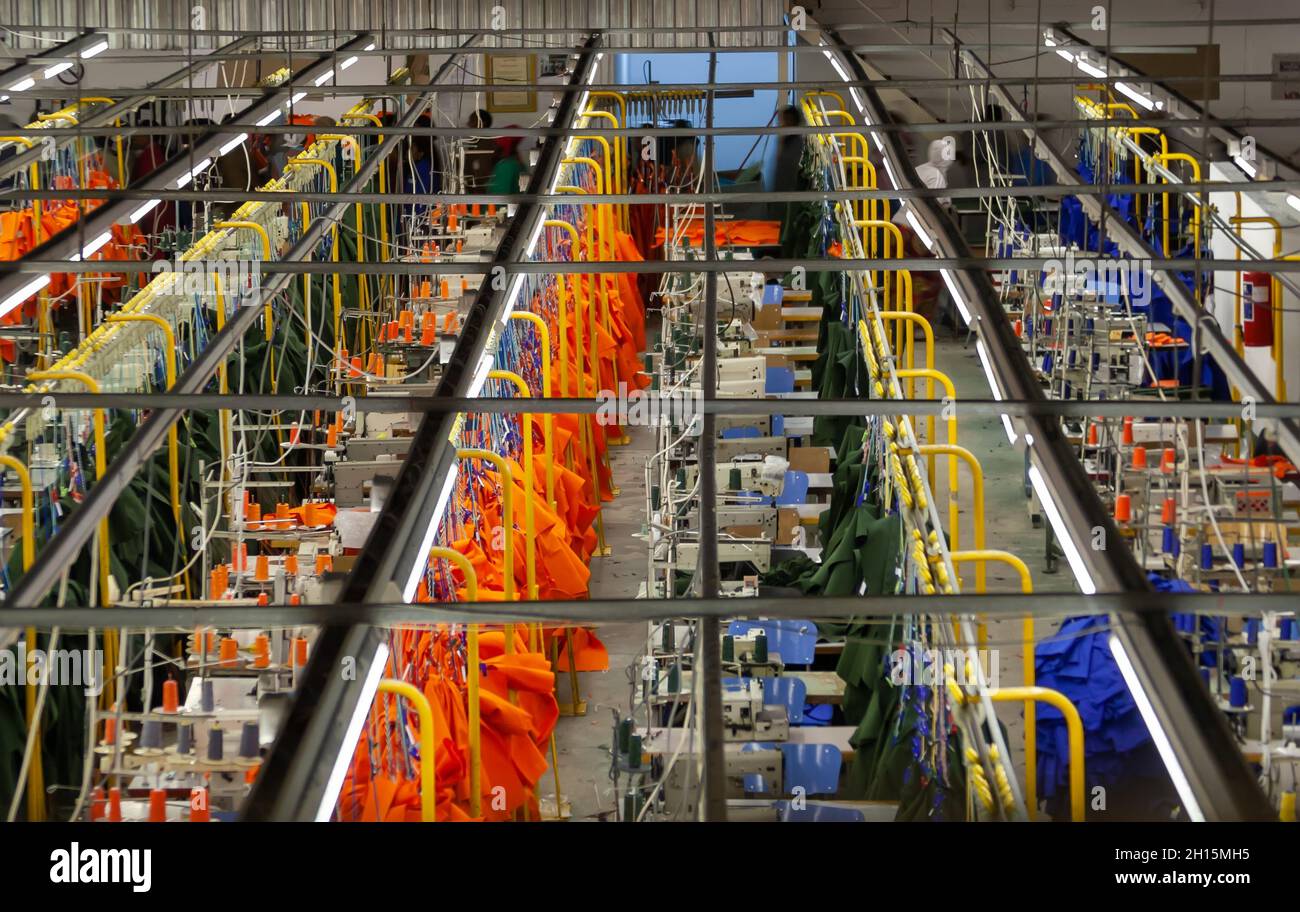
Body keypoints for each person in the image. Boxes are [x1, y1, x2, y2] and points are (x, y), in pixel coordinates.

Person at [463, 109, 498, 190]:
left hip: (482, 190)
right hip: (475, 188)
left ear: (483, 123)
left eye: (472, 121)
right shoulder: (476, 141)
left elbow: (483, 171)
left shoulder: (486, 143)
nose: (468, 124)